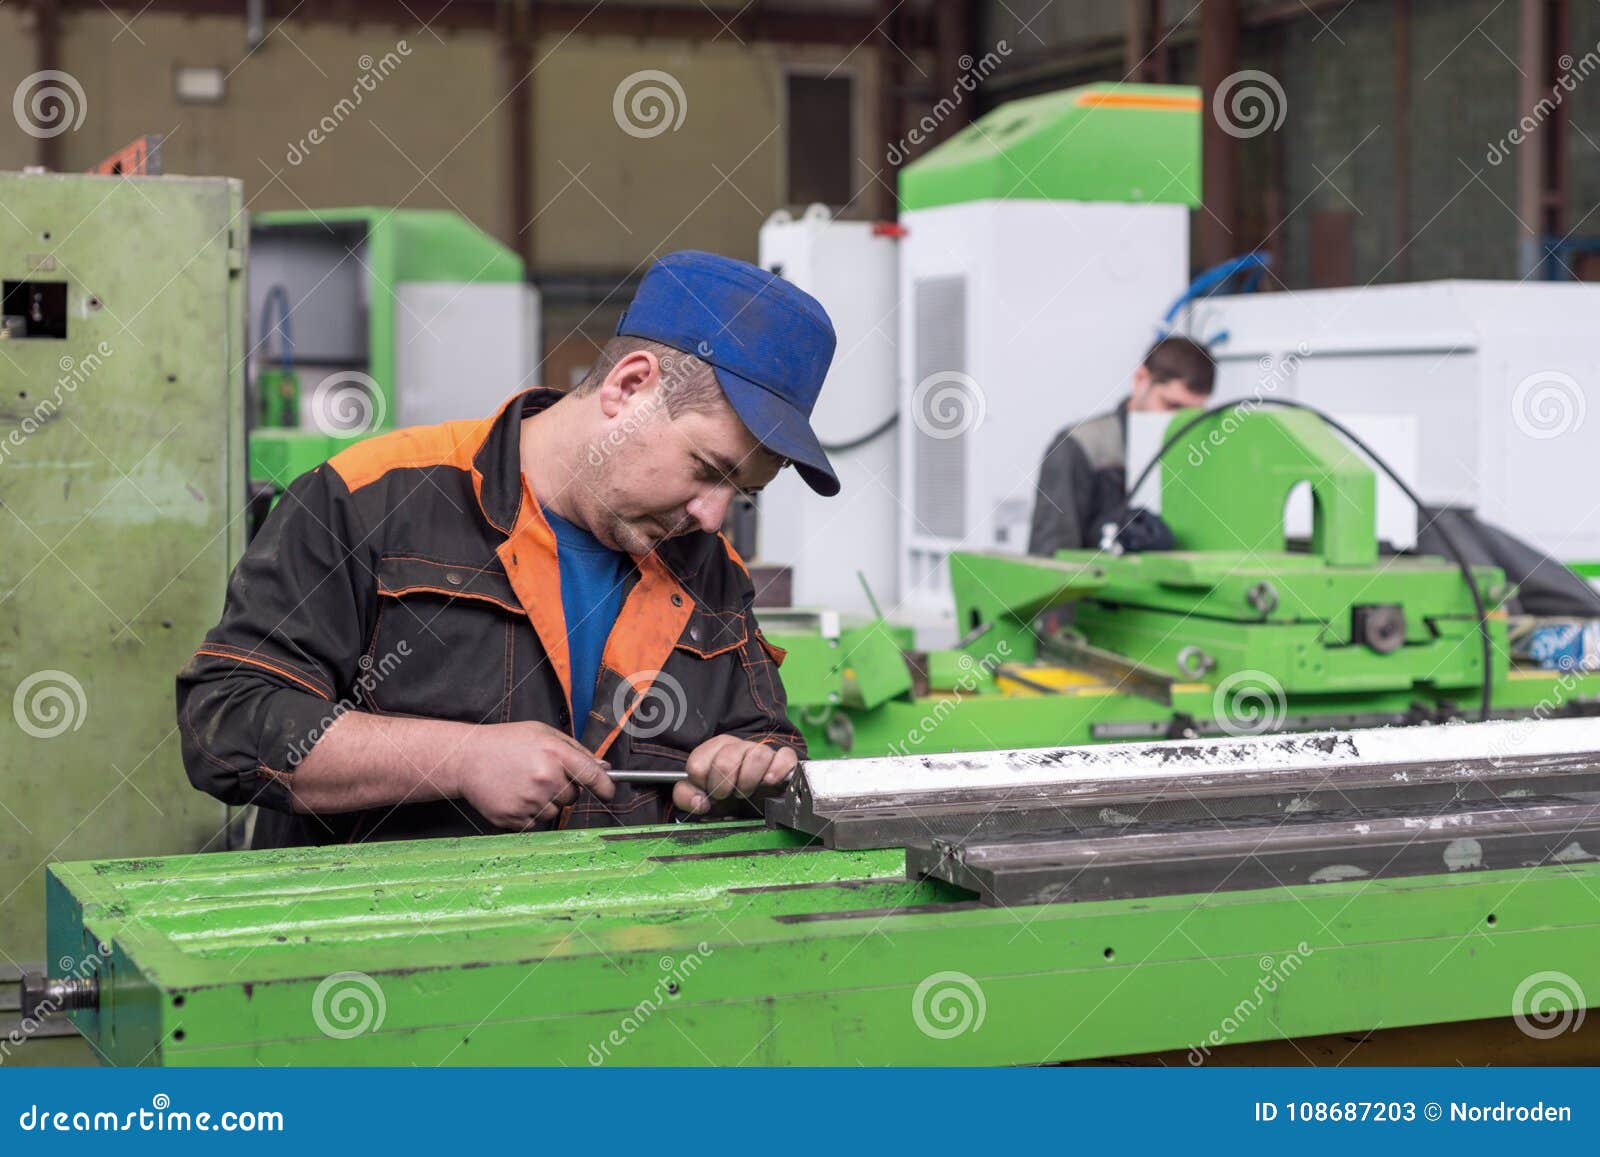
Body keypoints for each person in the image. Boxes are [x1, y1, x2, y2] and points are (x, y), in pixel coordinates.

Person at [177, 251, 839, 848]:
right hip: (374, 965)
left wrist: (748, 773)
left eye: (741, 492)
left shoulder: (709, 568)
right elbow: (228, 722)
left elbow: (769, 743)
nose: (713, 514)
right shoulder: (371, 500)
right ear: (629, 387)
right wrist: (459, 758)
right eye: (707, 469)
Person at [1026, 336, 1215, 556]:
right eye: (1170, 405)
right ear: (1140, 379)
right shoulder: (1080, 447)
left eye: (1192, 413)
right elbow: (1049, 560)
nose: (1177, 422)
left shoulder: (1203, 453)